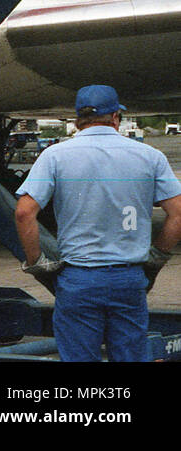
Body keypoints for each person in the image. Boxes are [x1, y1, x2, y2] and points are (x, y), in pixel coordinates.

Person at [15, 85, 181, 361]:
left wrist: (37, 262)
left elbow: (24, 213)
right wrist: (157, 255)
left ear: (78, 119)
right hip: (128, 278)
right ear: (115, 117)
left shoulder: (55, 156)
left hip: (78, 279)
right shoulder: (150, 156)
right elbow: (177, 213)